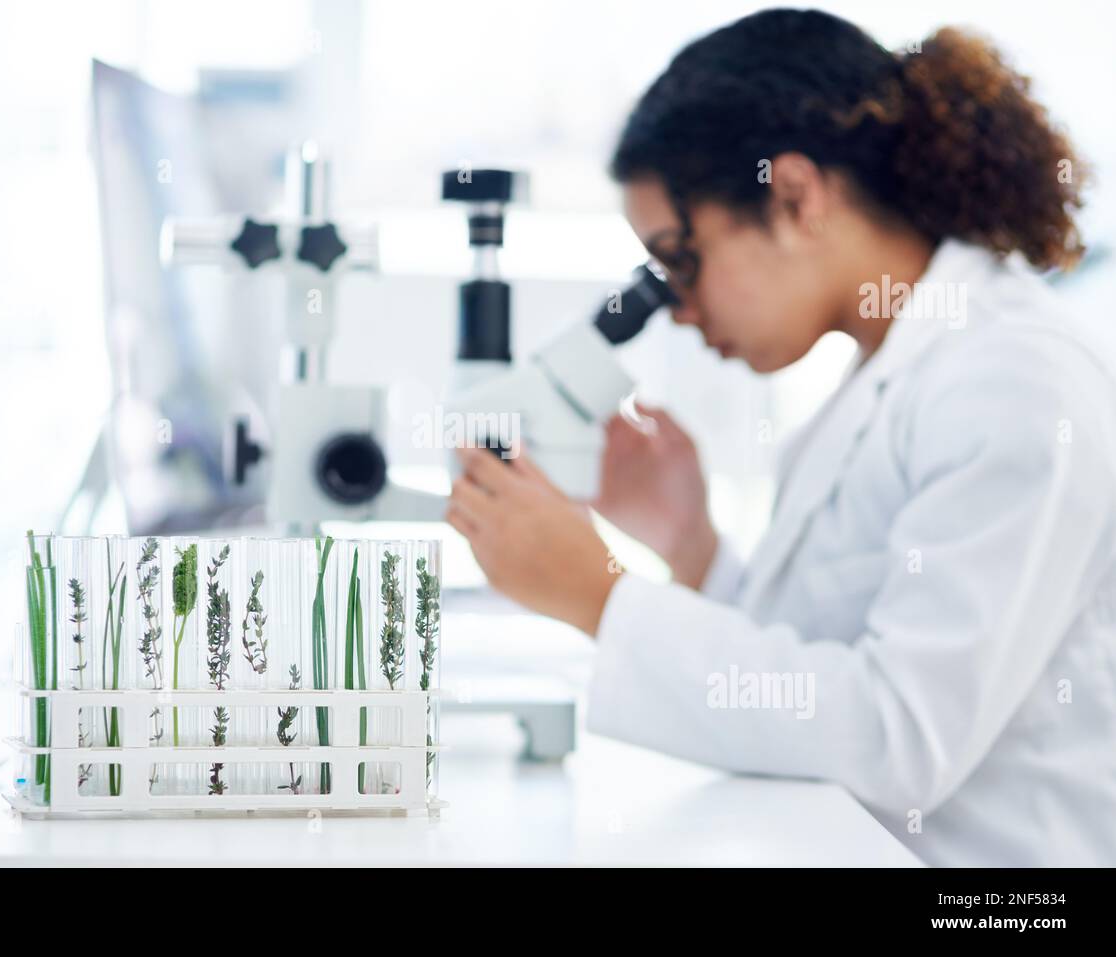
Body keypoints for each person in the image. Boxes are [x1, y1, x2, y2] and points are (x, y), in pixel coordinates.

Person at [445, 9, 1116, 867]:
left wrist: (599, 593)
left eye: (680, 261)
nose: (678, 312)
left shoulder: (1016, 375)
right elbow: (798, 685)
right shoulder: (884, 369)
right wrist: (690, 542)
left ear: (794, 195)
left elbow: (897, 737)